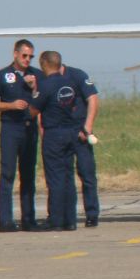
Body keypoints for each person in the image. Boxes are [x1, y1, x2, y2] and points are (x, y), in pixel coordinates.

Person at [29, 50, 87, 231]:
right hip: (70, 131)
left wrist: (32, 92)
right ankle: (70, 220)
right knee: (68, 176)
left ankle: (55, 219)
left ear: (45, 63)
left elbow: (32, 111)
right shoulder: (69, 84)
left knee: (55, 178)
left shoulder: (45, 85)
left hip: (54, 133)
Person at [0, 39, 41, 232]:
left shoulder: (37, 75)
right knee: (8, 173)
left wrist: (34, 88)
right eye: (24, 55)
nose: (27, 60)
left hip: (30, 129)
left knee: (28, 175)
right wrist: (11, 105)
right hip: (11, 128)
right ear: (15, 54)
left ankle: (29, 219)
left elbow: (43, 101)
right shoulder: (2, 75)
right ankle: (5, 220)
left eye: (30, 56)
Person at [63, 63, 100, 227]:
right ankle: (65, 214)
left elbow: (92, 98)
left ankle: (92, 214)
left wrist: (87, 127)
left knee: (87, 174)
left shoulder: (77, 75)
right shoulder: (47, 78)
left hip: (80, 131)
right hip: (61, 132)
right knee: (64, 175)